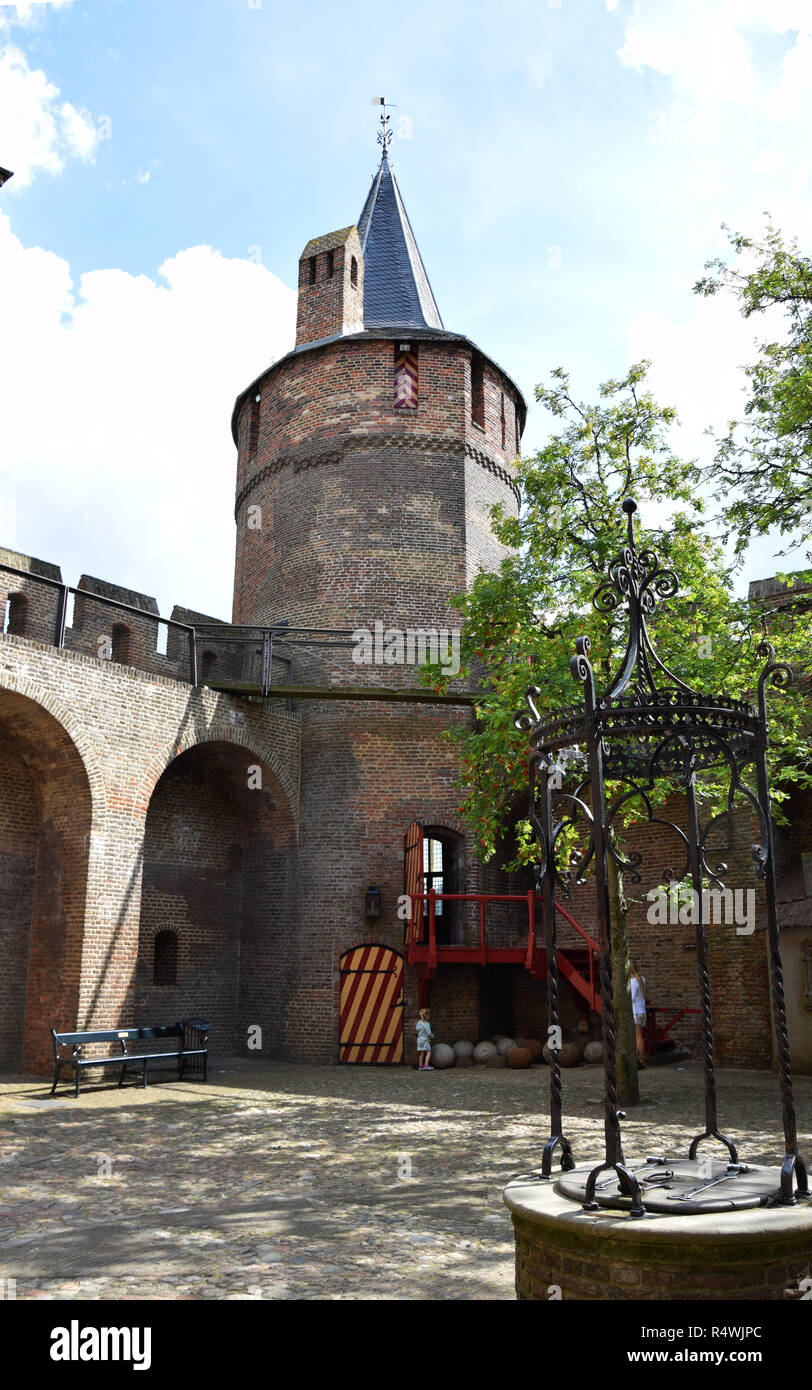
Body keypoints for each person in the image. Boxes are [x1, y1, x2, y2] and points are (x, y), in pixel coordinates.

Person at [630, 962, 647, 1069]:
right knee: (639, 1035)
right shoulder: (642, 979)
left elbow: (631, 998)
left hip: (635, 1011)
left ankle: (640, 1060)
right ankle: (641, 1059)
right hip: (641, 1010)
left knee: (637, 1036)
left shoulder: (632, 982)